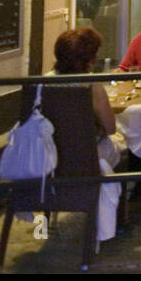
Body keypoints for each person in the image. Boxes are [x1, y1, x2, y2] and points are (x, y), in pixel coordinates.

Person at [53, 27, 123, 242]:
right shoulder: (92, 86)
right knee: (119, 146)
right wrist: (99, 129)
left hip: (51, 158)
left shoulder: (41, 82)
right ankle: (114, 219)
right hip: (86, 158)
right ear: (89, 59)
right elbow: (111, 128)